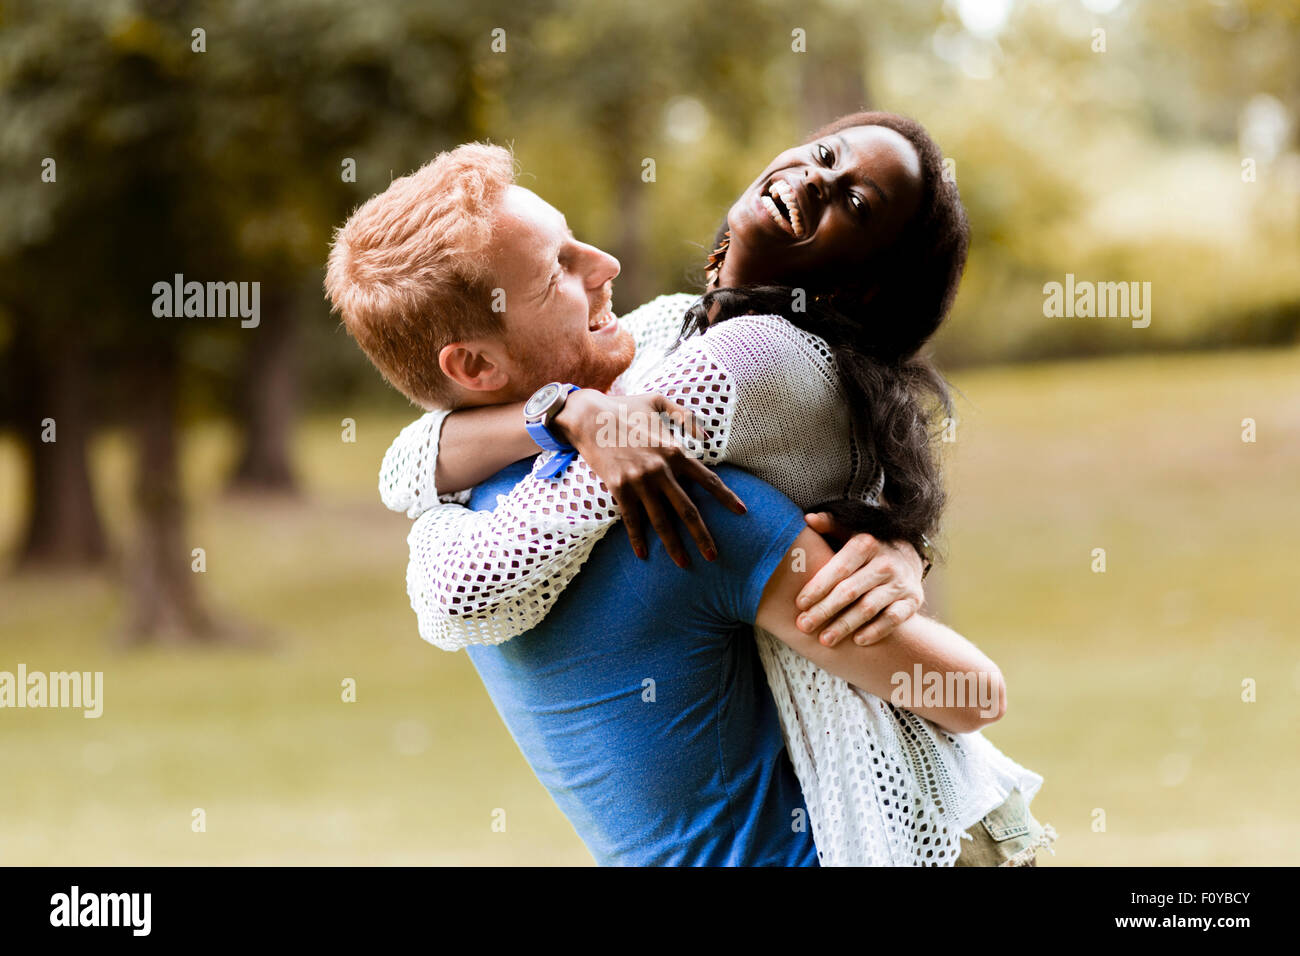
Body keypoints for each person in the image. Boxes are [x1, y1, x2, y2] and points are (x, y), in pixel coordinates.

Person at [326, 123, 1053, 865]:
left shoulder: (686, 442)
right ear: (474, 366)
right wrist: (557, 409)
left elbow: (444, 560)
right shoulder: (669, 367)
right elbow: (416, 475)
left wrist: (903, 546)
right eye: (559, 270)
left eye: (856, 202)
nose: (606, 261)